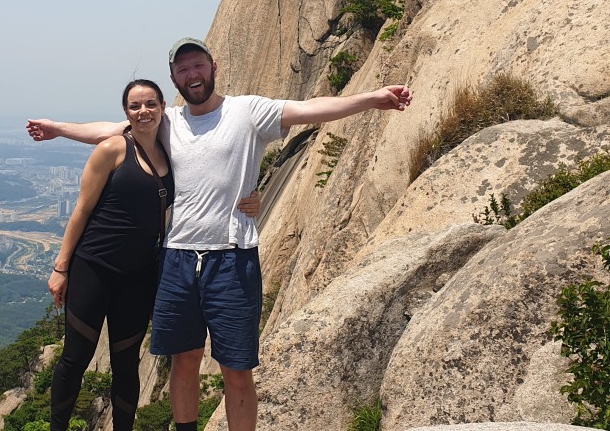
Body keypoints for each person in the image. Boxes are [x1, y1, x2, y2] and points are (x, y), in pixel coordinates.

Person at [27, 38, 412, 431]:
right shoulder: (168, 121)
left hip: (231, 256)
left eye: (198, 66)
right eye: (183, 69)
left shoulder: (247, 111)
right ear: (174, 78)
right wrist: (57, 128)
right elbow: (108, 131)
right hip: (176, 258)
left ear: (213, 66)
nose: (192, 75)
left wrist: (371, 98)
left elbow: (310, 109)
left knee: (237, 368)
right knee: (184, 361)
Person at [46, 78, 259, 431]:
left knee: (126, 363)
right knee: (75, 358)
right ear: (126, 113)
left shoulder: (169, 151)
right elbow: (81, 209)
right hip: (94, 267)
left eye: (150, 104)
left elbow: (213, 179)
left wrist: (253, 197)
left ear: (163, 108)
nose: (143, 111)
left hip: (139, 274)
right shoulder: (113, 149)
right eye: (134, 106)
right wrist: (61, 267)